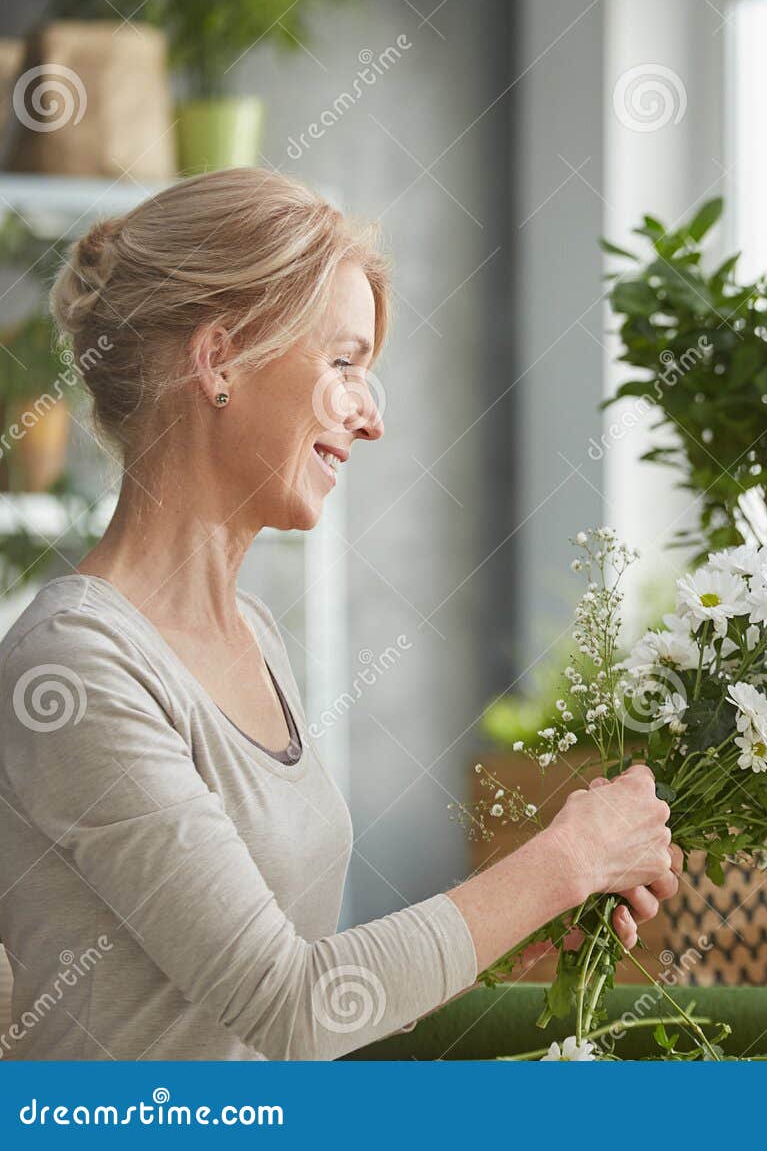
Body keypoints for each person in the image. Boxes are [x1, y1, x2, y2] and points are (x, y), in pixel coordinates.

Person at [0, 168, 680, 1060]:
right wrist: (566, 860)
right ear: (218, 361)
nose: (370, 417)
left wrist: (529, 917)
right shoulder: (78, 665)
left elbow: (307, 988)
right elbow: (293, 1004)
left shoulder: (257, 639)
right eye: (344, 362)